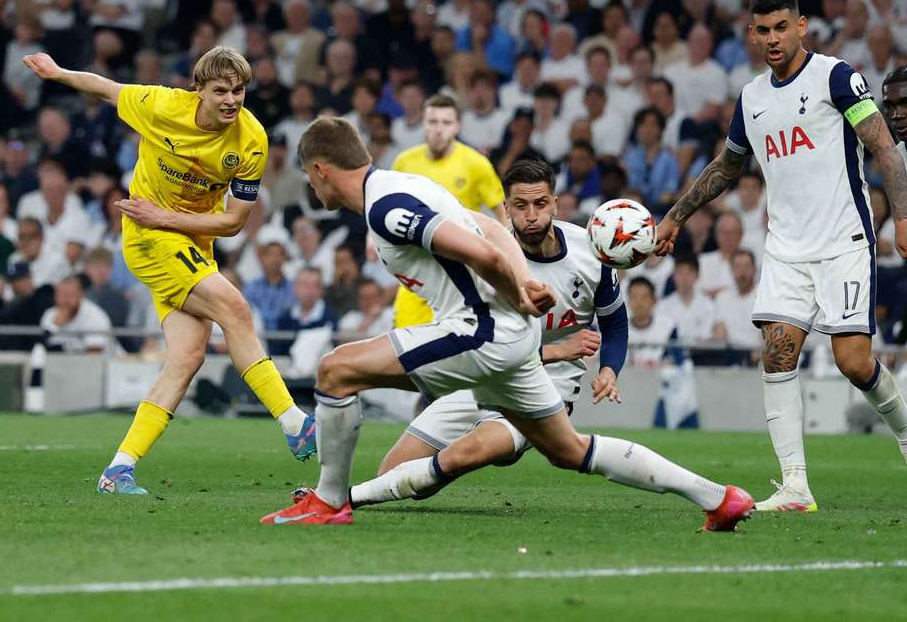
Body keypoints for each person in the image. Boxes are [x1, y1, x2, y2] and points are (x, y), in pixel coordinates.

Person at [263, 118, 752, 530]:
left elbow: (478, 248)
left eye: (309, 175)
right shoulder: (407, 185)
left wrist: (515, 289)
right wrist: (523, 278)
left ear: (321, 169)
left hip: (479, 332)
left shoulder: (387, 207)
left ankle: (328, 502)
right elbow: (494, 228)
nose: (311, 185)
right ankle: (717, 497)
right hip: (514, 343)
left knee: (334, 370)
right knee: (569, 450)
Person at [654, 0, 907, 512]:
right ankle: (795, 486)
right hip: (787, 249)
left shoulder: (836, 77)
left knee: (854, 363)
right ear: (751, 33)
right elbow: (727, 166)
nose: (772, 38)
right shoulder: (751, 98)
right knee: (776, 352)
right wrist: (675, 216)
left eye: (781, 28)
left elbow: (882, 143)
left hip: (843, 242)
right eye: (762, 30)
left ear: (802, 26)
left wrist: (902, 217)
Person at [21, 45, 314, 496]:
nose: (231, 100)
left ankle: (118, 470)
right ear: (198, 91)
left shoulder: (252, 140)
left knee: (187, 357)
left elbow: (235, 222)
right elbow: (106, 88)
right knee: (234, 306)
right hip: (147, 237)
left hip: (188, 241)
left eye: (239, 90)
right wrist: (58, 73)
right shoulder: (162, 106)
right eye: (220, 90)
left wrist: (170, 219)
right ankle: (295, 422)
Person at [346, 158, 629, 508]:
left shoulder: (589, 251)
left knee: (465, 454)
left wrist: (608, 370)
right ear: (506, 209)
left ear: (555, 204)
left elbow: (615, 321)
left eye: (540, 204)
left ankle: (341, 500)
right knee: (391, 473)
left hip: (544, 386)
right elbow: (489, 337)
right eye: (520, 206)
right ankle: (352, 497)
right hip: (481, 371)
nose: (531, 215)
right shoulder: (487, 256)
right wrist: (559, 349)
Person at [390, 94, 508, 329]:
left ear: (457, 126)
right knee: (404, 343)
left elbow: (503, 212)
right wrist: (371, 239)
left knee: (460, 345)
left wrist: (507, 254)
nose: (438, 130)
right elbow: (386, 204)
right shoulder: (405, 162)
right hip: (417, 268)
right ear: (423, 124)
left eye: (446, 123)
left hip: (462, 268)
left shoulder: (476, 163)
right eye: (432, 122)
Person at [41, 275, 115, 354]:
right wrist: (56, 325)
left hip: (107, 363)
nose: (64, 300)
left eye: (69, 295)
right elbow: (44, 347)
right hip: (65, 362)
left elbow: (94, 353)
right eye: (60, 295)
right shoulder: (50, 315)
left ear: (80, 295)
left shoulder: (95, 316)